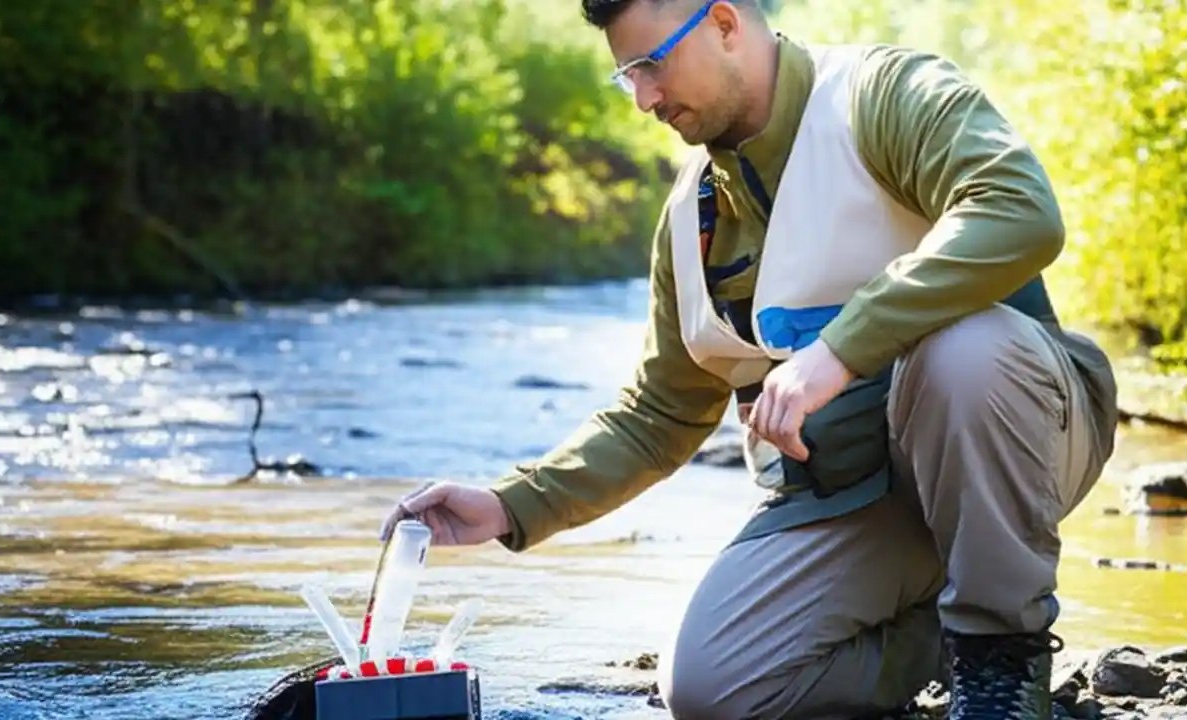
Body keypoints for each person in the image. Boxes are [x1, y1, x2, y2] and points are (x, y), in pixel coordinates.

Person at [380, 1, 1119, 717]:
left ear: (725, 23)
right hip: (857, 496)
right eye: (625, 76)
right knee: (714, 690)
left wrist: (838, 351)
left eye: (649, 64)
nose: (642, 98)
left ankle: (1003, 669)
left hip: (1024, 437)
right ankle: (944, 641)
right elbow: (659, 415)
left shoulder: (886, 94)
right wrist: (512, 504)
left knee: (963, 351)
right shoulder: (688, 222)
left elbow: (1018, 208)